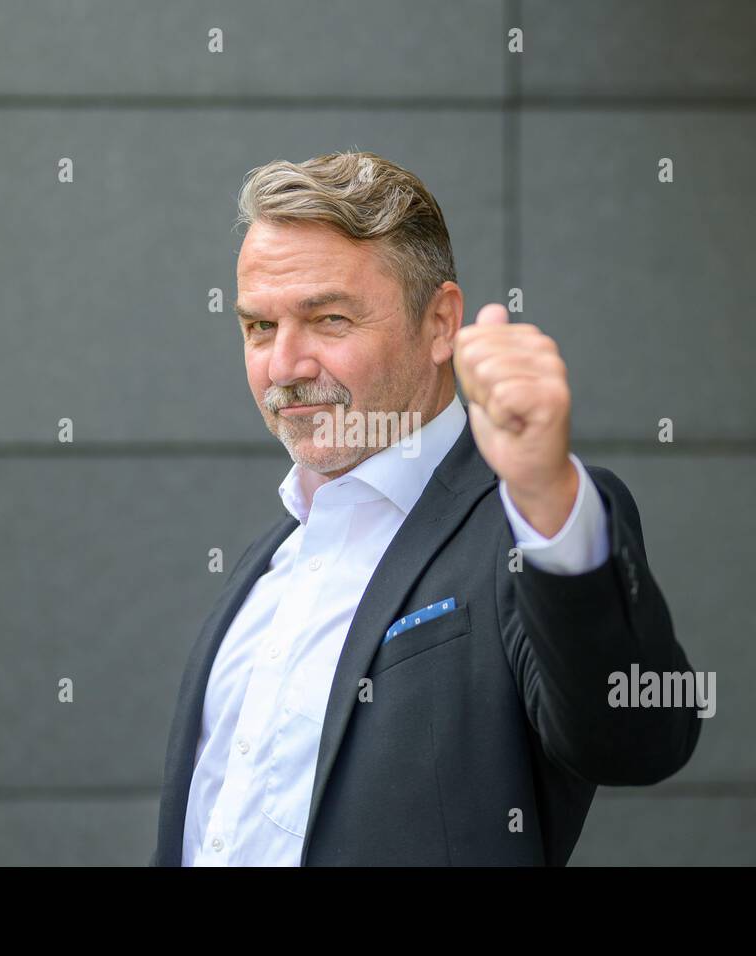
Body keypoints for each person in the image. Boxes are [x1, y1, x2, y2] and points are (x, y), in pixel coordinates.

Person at [155, 150, 700, 866]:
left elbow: (636, 740)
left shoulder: (527, 523)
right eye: (259, 327)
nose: (285, 366)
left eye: (328, 319)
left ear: (442, 323)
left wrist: (544, 494)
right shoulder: (267, 568)